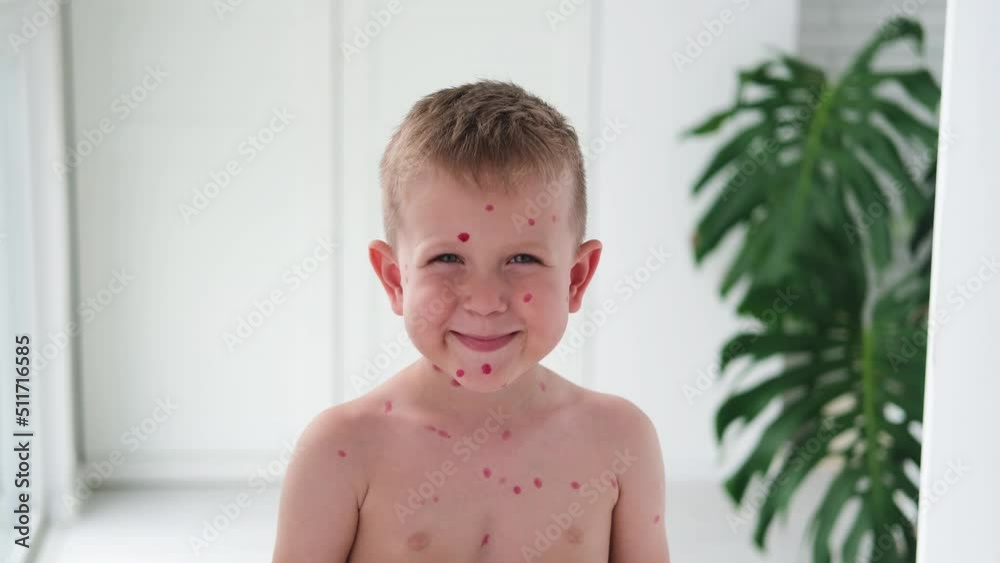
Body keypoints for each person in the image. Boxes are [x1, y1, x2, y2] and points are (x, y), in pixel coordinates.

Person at [272, 80, 670, 562]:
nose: (485, 301)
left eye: (522, 257)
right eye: (447, 259)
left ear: (576, 278)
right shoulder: (341, 451)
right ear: (395, 280)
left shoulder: (620, 442)